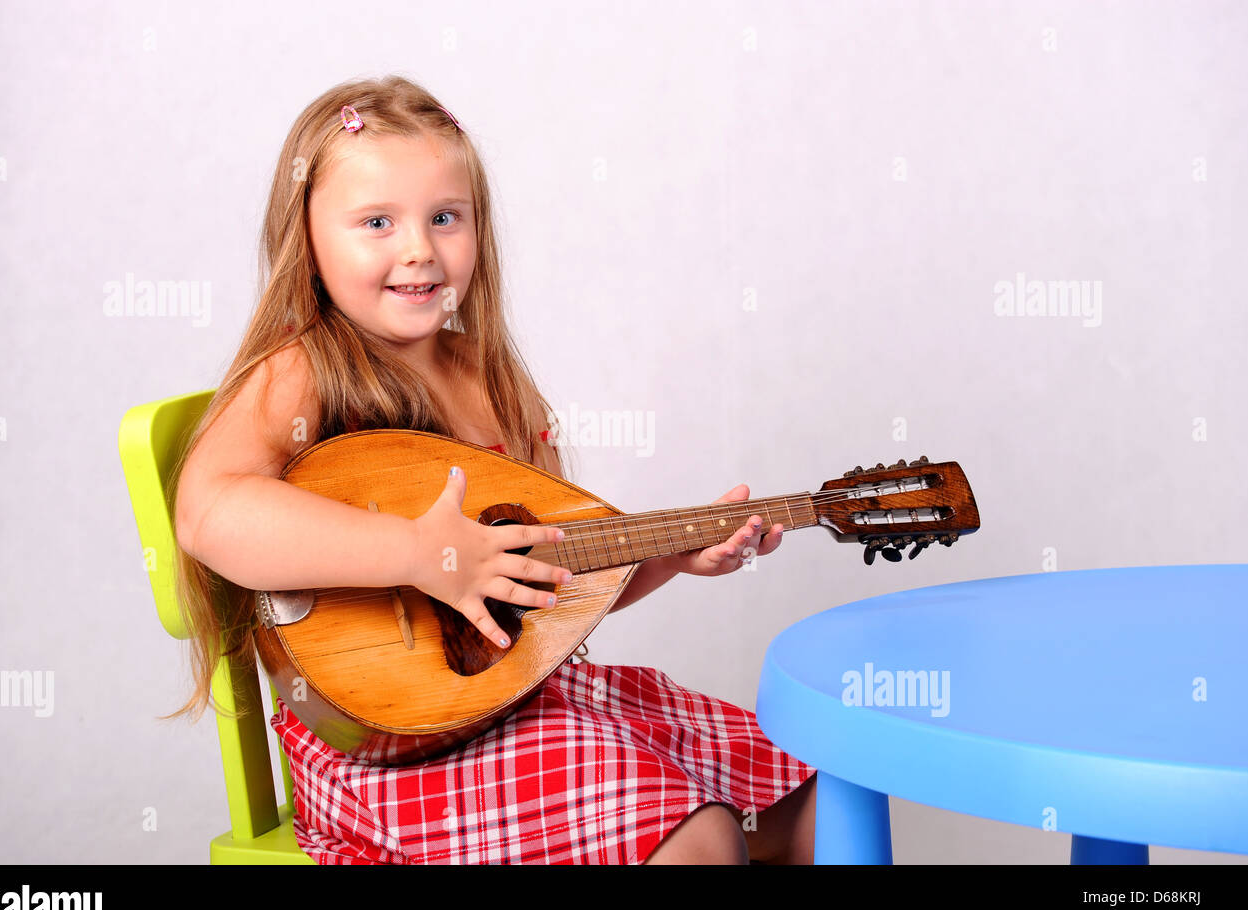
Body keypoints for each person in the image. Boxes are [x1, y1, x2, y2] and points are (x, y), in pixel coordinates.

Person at [166, 75, 816, 864]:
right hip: (388, 760)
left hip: (528, 701)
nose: (420, 249)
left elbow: (546, 589)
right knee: (700, 838)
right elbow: (208, 512)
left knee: (808, 799)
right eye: (377, 221)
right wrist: (418, 553)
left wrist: (672, 556)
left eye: (446, 218)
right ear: (307, 237)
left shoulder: (492, 380)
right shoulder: (305, 372)